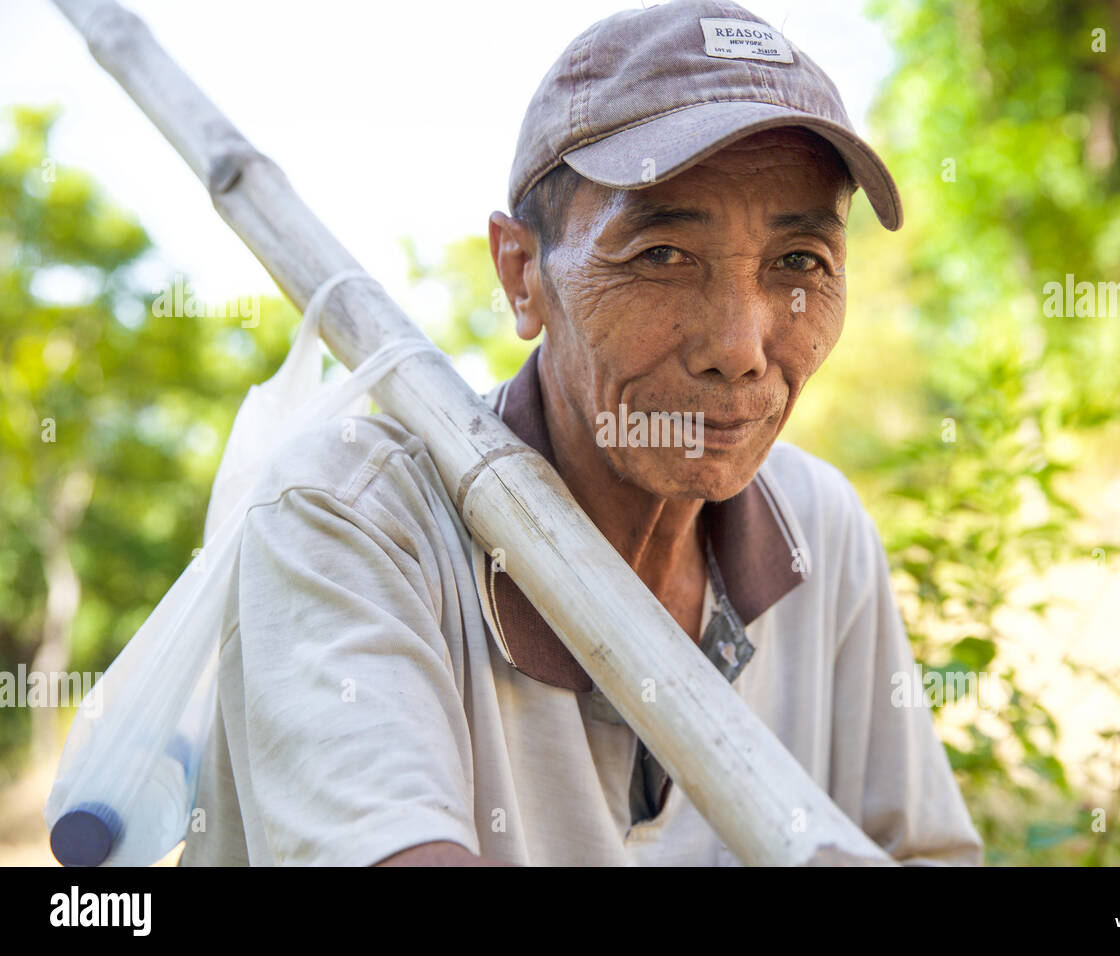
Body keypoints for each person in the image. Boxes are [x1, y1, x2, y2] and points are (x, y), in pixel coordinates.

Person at [179, 0, 983, 867]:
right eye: (662, 257)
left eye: (799, 265)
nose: (740, 349)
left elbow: (921, 852)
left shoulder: (818, 530)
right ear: (521, 275)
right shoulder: (353, 520)